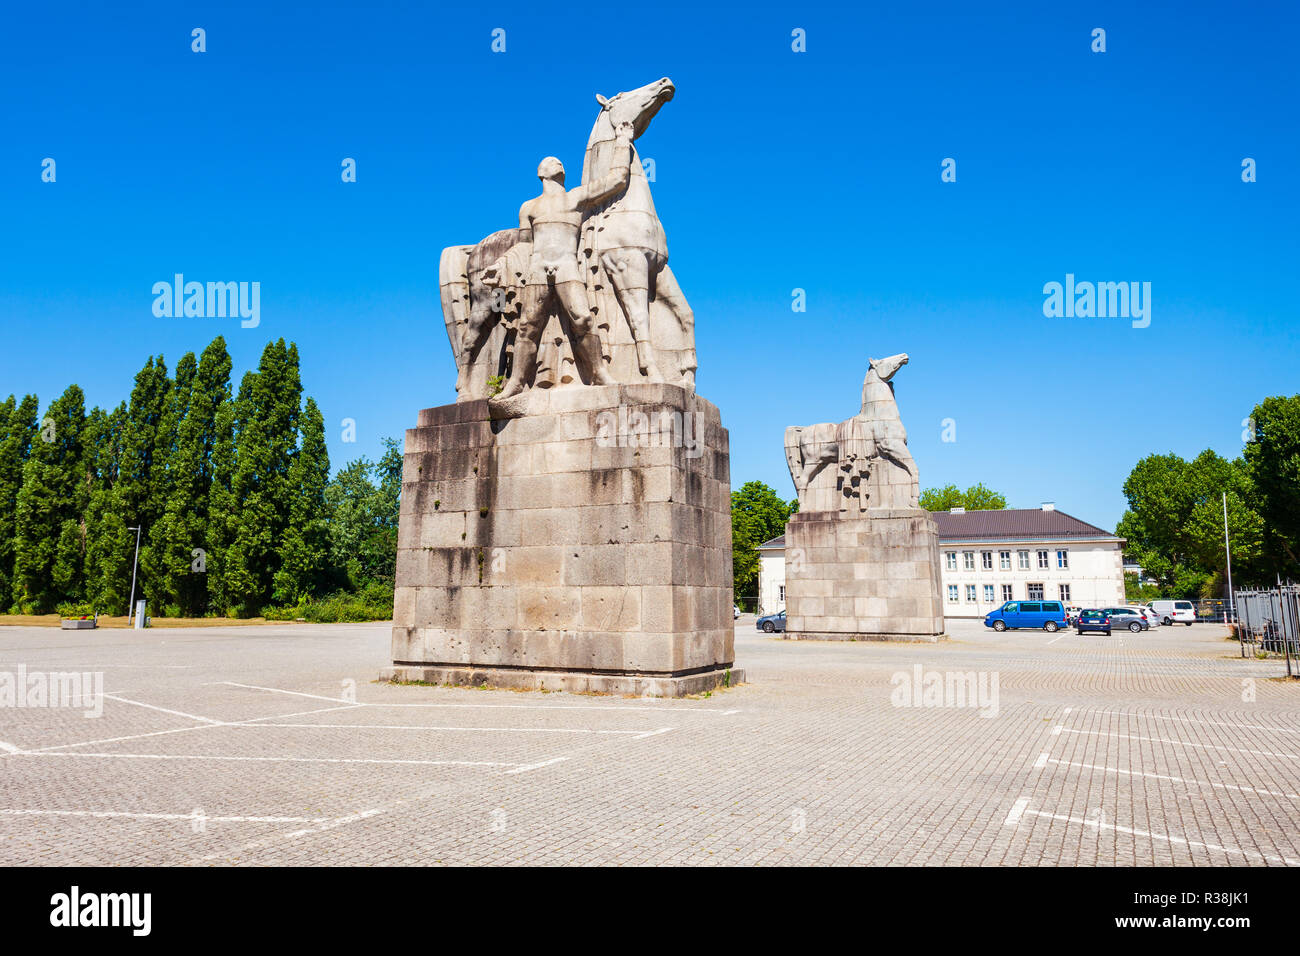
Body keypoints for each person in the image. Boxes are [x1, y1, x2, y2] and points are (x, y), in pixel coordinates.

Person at [492, 120, 636, 400]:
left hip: (567, 266)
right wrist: (501, 266)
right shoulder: (528, 207)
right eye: (551, 161)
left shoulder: (576, 197)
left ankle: (599, 373)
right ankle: (515, 384)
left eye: (560, 161)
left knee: (583, 319)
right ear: (541, 173)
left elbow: (617, 179)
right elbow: (522, 247)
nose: (558, 162)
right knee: (527, 327)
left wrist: (622, 140)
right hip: (537, 269)